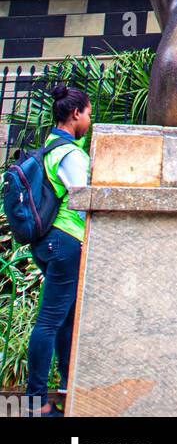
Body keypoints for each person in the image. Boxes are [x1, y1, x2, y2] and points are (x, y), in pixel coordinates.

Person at [26, 82, 92, 416]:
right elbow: (83, 201)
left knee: (64, 319)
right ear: (75, 113)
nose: (89, 120)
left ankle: (67, 389)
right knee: (51, 321)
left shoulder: (51, 145)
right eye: (88, 113)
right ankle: (35, 403)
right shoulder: (70, 153)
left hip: (50, 241)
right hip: (65, 240)